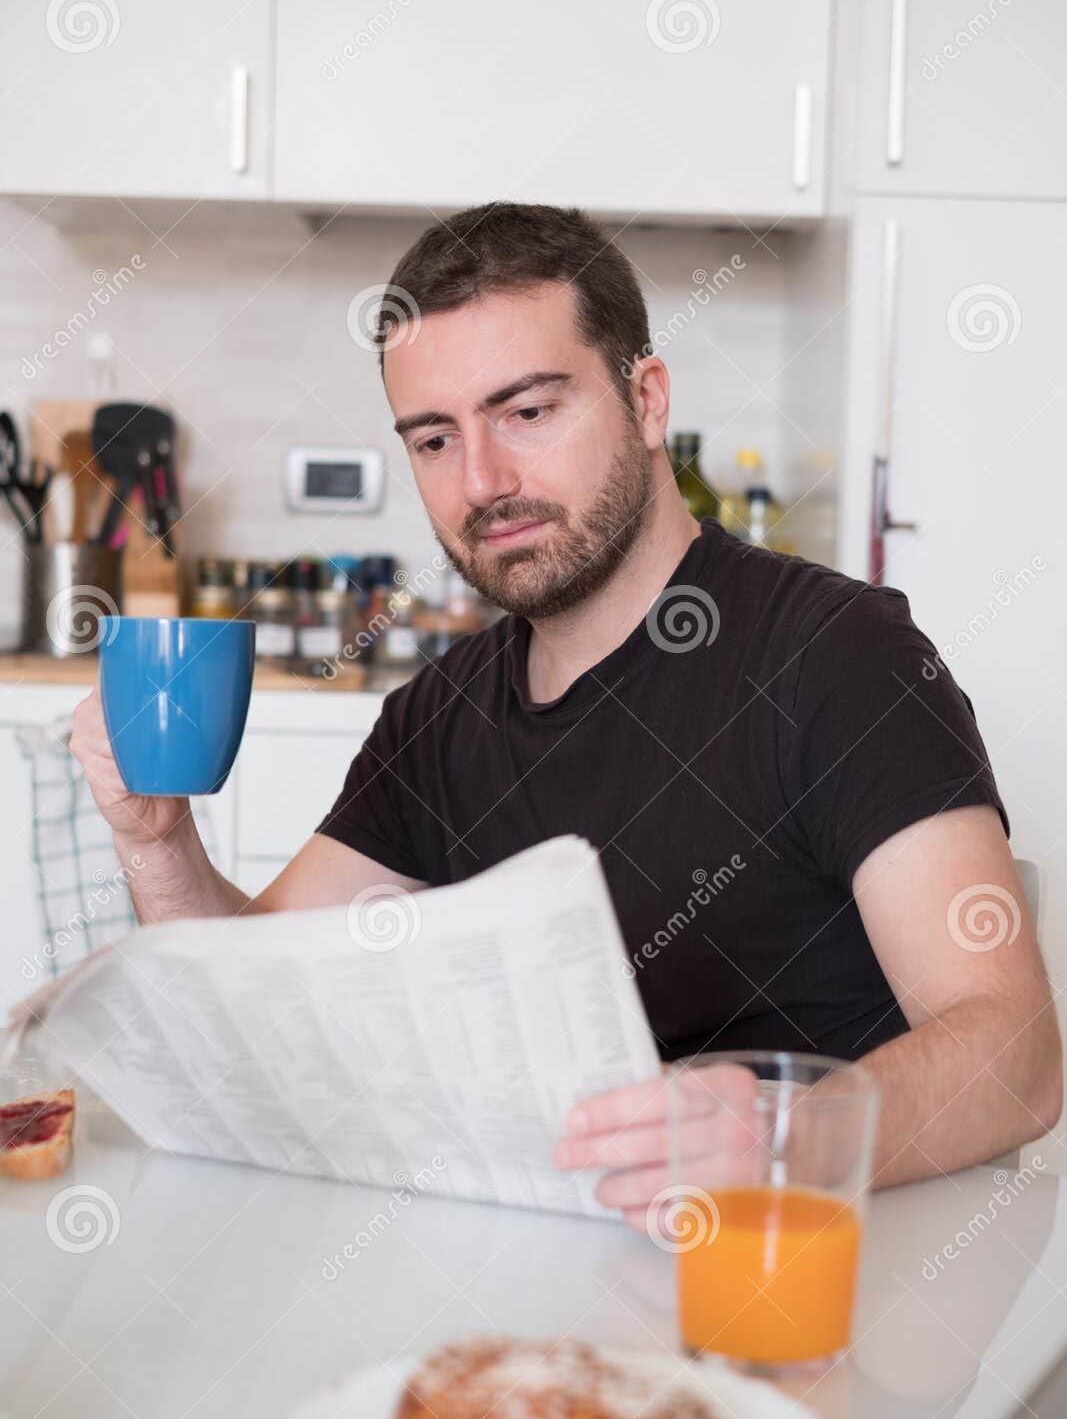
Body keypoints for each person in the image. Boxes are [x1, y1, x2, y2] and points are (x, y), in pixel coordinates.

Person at [71, 202, 1061, 1220]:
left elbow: (1016, 1054)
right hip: (548, 1286)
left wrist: (778, 1134)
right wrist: (158, 844)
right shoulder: (435, 719)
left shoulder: (836, 656)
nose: (484, 482)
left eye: (528, 412)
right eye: (433, 439)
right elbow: (247, 1010)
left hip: (806, 1278)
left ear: (644, 400)